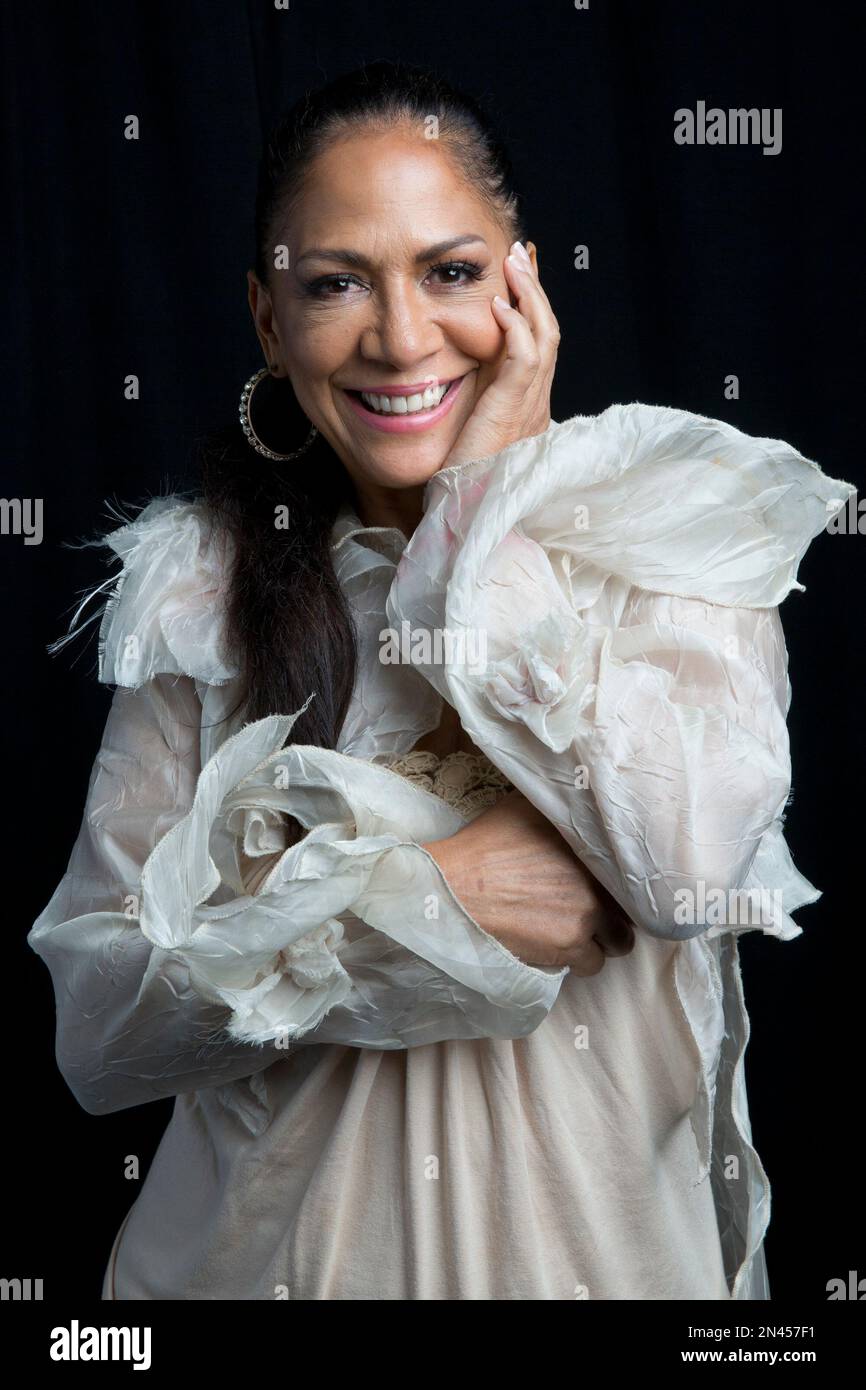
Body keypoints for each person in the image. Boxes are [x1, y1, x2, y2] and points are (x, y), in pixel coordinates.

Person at [28, 60, 853, 1301]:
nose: (402, 337)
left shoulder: (670, 538)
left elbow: (684, 864)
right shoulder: (203, 585)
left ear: (522, 279)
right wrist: (408, 903)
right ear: (268, 319)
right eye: (335, 284)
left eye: (450, 272)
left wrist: (486, 519)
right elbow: (101, 1030)